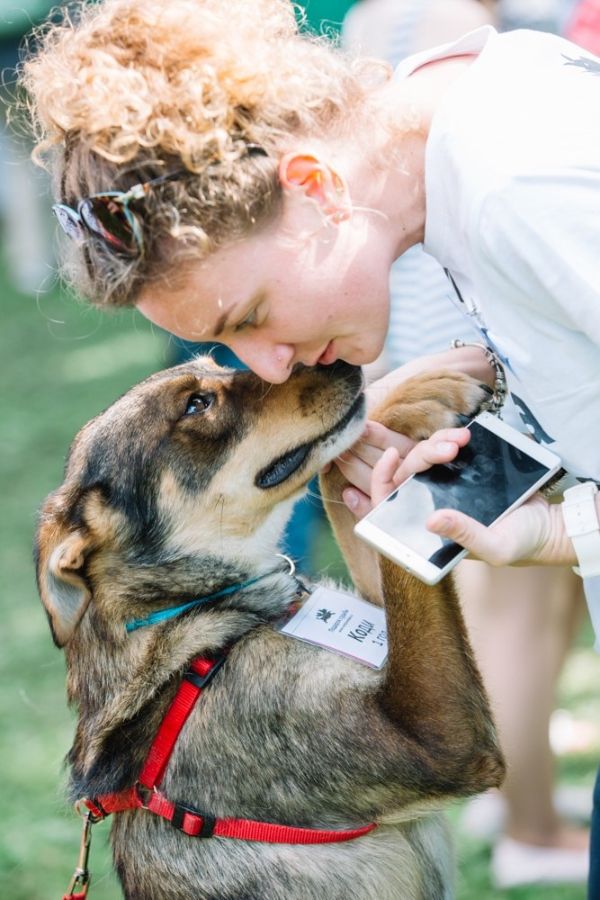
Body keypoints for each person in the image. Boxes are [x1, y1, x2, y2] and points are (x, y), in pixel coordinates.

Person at [20, 1, 600, 894]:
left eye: (251, 315)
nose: (270, 364)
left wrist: (566, 535)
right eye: (228, 347)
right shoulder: (470, 160)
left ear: (315, 188)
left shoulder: (515, 183)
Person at [342, 0, 590, 889]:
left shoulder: (370, 21)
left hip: (435, 339)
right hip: (466, 342)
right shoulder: (459, 26)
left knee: (509, 595)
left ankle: (510, 796)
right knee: (523, 611)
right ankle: (527, 818)